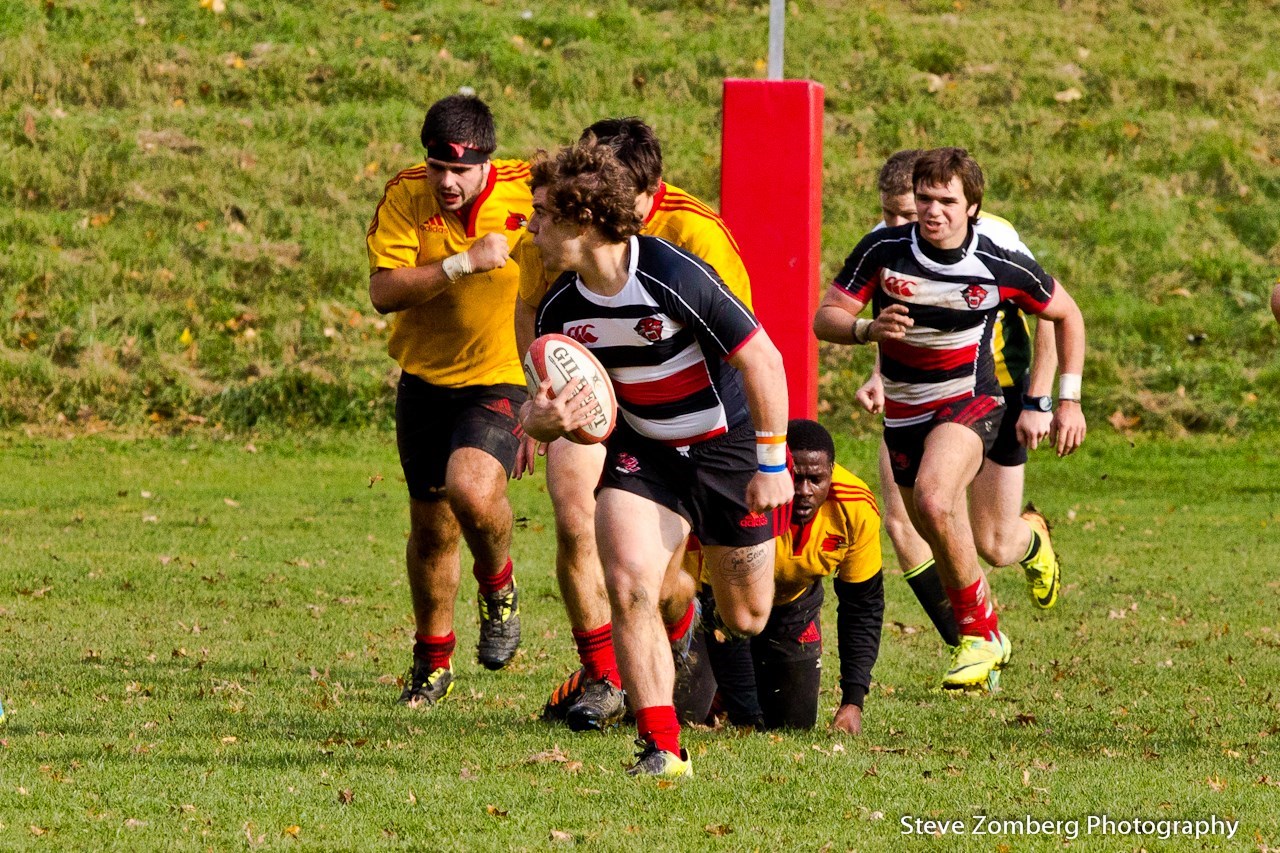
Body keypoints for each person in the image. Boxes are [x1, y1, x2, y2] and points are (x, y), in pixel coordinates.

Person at [521, 138, 792, 778]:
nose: (530, 228)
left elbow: (763, 360)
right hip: (645, 450)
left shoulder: (673, 274)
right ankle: (663, 748)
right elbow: (540, 407)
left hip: (725, 447)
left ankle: (691, 615)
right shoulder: (560, 306)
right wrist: (546, 419)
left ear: (581, 219)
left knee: (747, 616)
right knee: (628, 584)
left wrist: (773, 465)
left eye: (540, 215)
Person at [813, 147, 1087, 692]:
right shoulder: (883, 249)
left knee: (937, 499)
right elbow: (827, 318)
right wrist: (868, 333)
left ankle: (979, 635)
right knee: (938, 525)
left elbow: (1066, 313)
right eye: (924, 200)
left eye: (945, 201)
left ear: (972, 207)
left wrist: (1061, 400)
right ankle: (988, 623)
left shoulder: (998, 258)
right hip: (905, 408)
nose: (931, 211)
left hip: (975, 398)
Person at [366, 94, 532, 707]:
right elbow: (383, 292)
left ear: (487, 161)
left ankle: (500, 587)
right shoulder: (406, 194)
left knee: (472, 489)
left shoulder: (530, 189)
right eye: (438, 168)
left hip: (501, 376)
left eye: (460, 171)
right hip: (425, 380)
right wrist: (463, 264)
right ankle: (433, 663)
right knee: (431, 532)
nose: (446, 182)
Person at [695, 420, 884, 733]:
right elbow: (719, 609)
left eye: (816, 479)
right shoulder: (743, 497)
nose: (804, 491)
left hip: (794, 607)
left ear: (832, 474)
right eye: (796, 478)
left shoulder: (856, 507)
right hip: (716, 607)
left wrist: (853, 700)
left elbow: (862, 606)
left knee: (793, 725)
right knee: (688, 709)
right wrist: (746, 713)